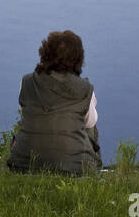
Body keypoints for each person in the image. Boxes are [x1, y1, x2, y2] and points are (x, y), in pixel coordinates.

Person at [7, 29, 102, 174]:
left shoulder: (26, 82)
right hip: (74, 169)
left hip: (22, 164)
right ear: (78, 58)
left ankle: (27, 156)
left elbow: (25, 113)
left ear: (45, 53)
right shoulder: (85, 89)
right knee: (91, 128)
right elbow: (90, 122)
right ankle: (90, 167)